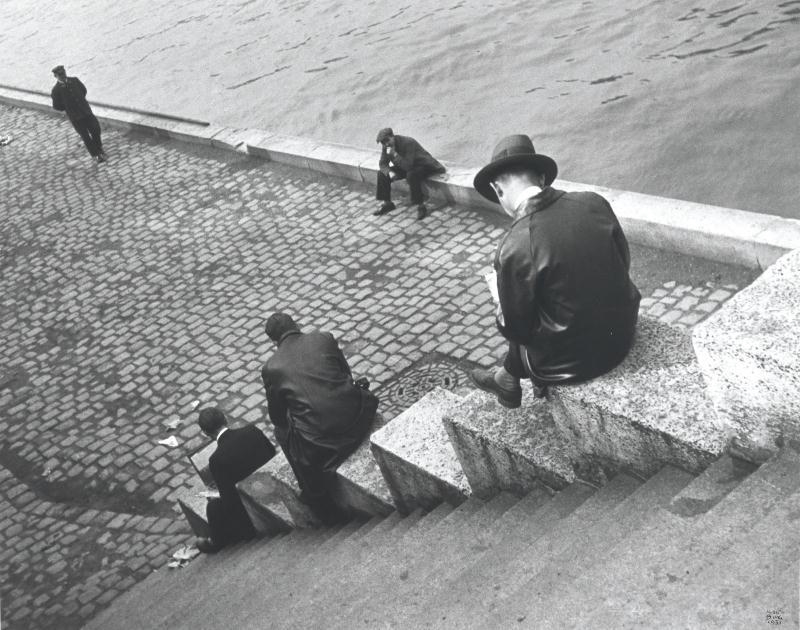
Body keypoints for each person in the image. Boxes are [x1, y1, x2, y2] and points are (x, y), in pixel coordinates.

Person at [470, 135, 641, 407]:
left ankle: (507, 378)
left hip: (571, 364)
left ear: (498, 191)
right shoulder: (593, 202)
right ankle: (505, 378)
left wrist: (500, 302)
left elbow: (516, 330)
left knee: (521, 307)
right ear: (541, 178)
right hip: (623, 333)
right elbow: (623, 262)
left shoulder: (515, 244)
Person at [261, 313, 378, 525]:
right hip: (358, 414)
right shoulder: (323, 338)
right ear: (295, 324)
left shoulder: (272, 368)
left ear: (273, 341)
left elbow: (278, 417)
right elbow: (346, 373)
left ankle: (313, 493)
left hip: (326, 441)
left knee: (281, 433)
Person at [194, 407, 276, 553]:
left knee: (213, 508)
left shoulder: (216, 459)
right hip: (272, 486)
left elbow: (230, 500)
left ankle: (216, 543)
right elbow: (272, 453)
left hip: (252, 510)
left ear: (206, 433)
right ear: (225, 418)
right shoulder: (252, 431)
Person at [374, 127, 445, 220]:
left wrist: (395, 154)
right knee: (382, 174)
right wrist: (390, 172)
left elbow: (408, 166)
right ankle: (387, 204)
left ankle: (421, 205)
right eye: (383, 142)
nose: (386, 144)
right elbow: (382, 163)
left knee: (411, 175)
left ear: (392, 136)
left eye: (387, 140)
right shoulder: (386, 147)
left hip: (423, 165)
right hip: (406, 166)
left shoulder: (408, 142)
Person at [50, 65, 107, 163]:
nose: (63, 76)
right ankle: (96, 155)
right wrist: (68, 107)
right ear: (55, 76)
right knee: (85, 136)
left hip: (86, 111)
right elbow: (56, 106)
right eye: (60, 75)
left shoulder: (74, 81)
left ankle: (99, 147)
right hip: (76, 117)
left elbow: (83, 91)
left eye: (63, 73)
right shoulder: (56, 90)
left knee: (96, 129)